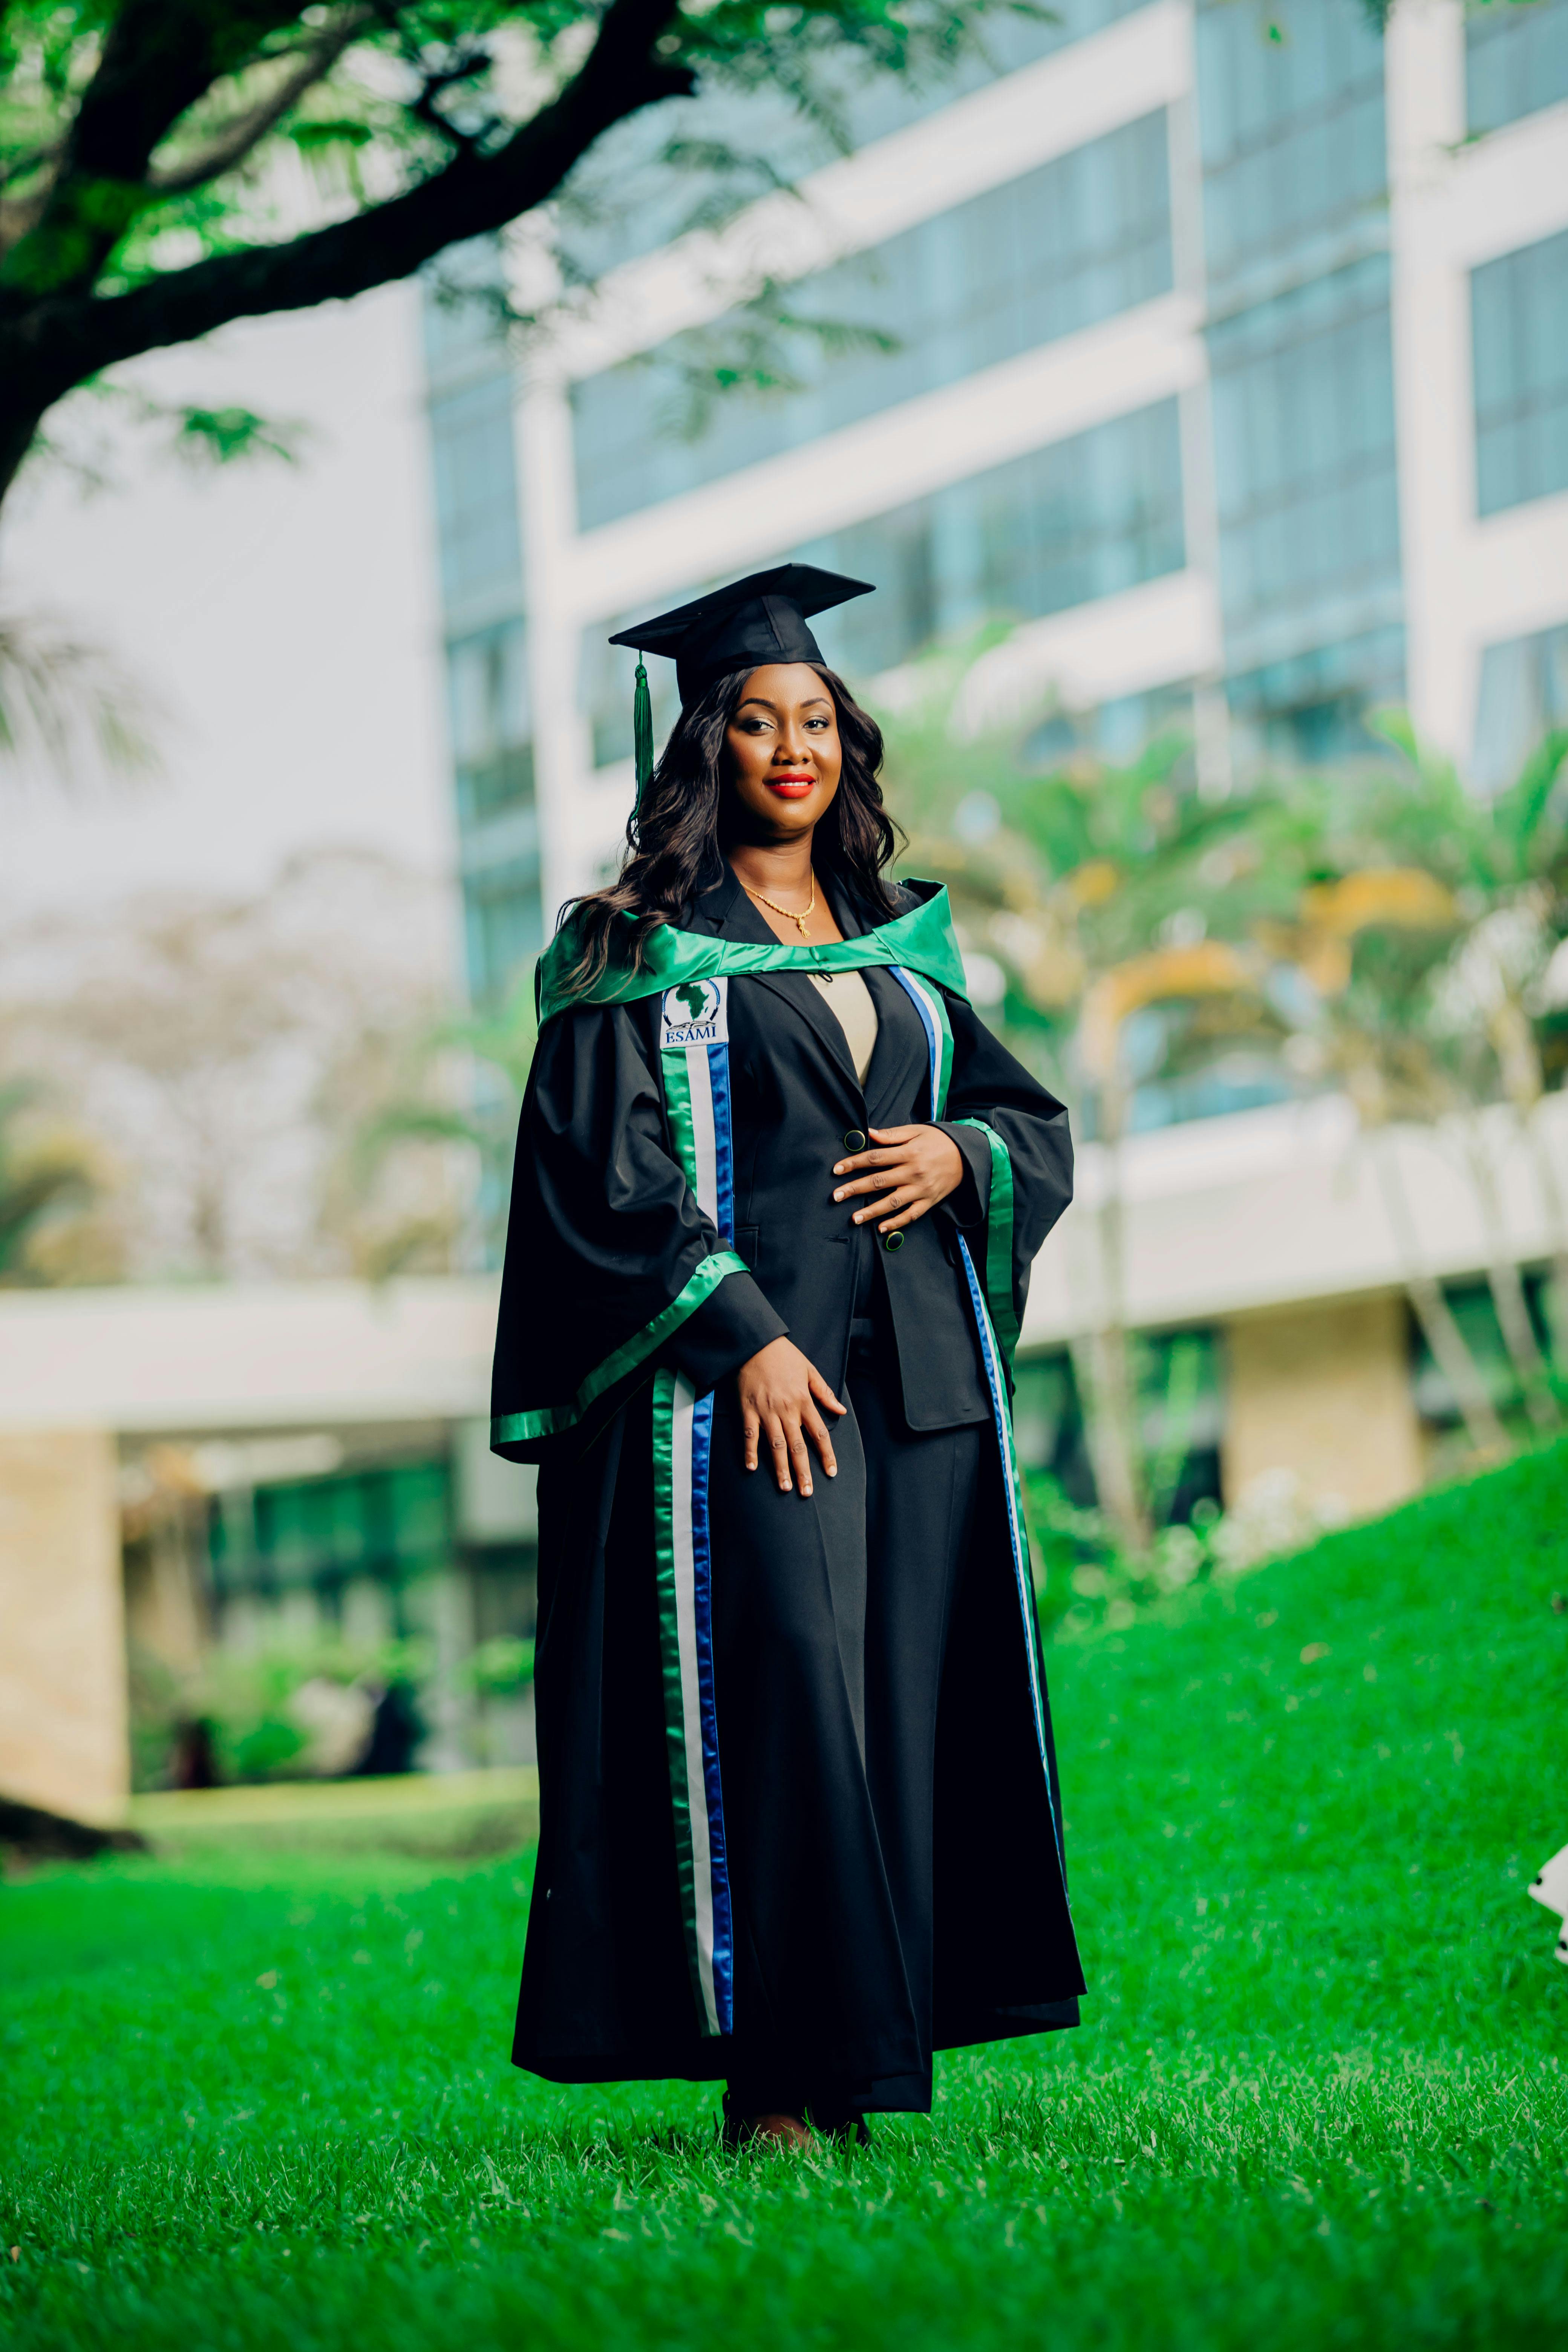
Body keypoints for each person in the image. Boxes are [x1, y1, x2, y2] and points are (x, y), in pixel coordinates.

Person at [491, 564, 1085, 2147]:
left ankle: (873, 2067)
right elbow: (601, 1178)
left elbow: (1026, 1117)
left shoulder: (905, 941)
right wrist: (739, 1336)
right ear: (704, 748)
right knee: (785, 1706)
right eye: (754, 721)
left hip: (918, 1385)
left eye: (813, 718)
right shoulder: (632, 948)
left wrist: (963, 1156)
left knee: (894, 1704)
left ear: (846, 743)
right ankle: (776, 2085)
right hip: (746, 1397)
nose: (790, 746)